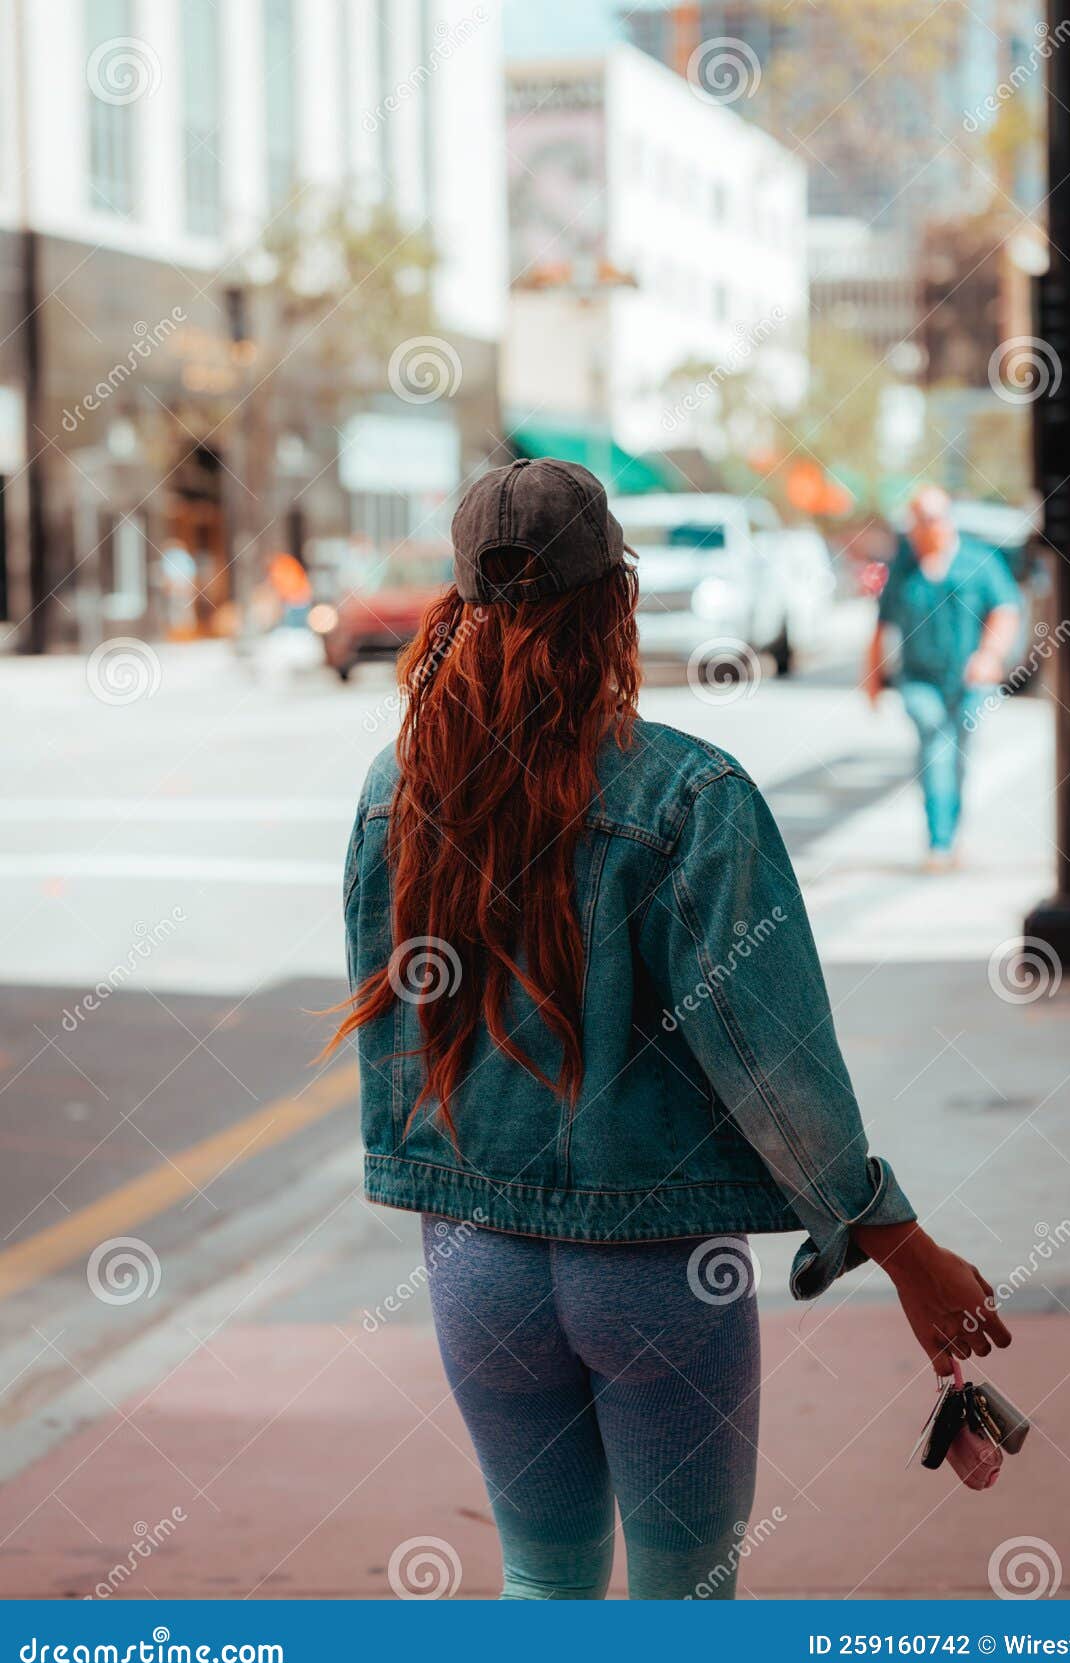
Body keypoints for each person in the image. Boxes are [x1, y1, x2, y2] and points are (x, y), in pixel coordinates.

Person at [332, 459, 1011, 1601]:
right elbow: (769, 1063)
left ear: (458, 604)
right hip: (655, 1270)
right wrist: (899, 1244)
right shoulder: (691, 797)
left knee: (543, 1584)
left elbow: (398, 1026)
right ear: (620, 601)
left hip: (472, 1259)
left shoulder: (397, 787)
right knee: (685, 1600)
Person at [863, 486, 1022, 869]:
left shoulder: (978, 561)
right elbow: (880, 627)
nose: (921, 530)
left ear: (945, 520)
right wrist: (871, 678)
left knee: (960, 756)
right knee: (935, 742)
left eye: (929, 520)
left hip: (969, 680)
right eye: (915, 522)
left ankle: (951, 834)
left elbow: (1006, 610)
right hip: (919, 680)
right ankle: (939, 843)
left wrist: (989, 655)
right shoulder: (902, 569)